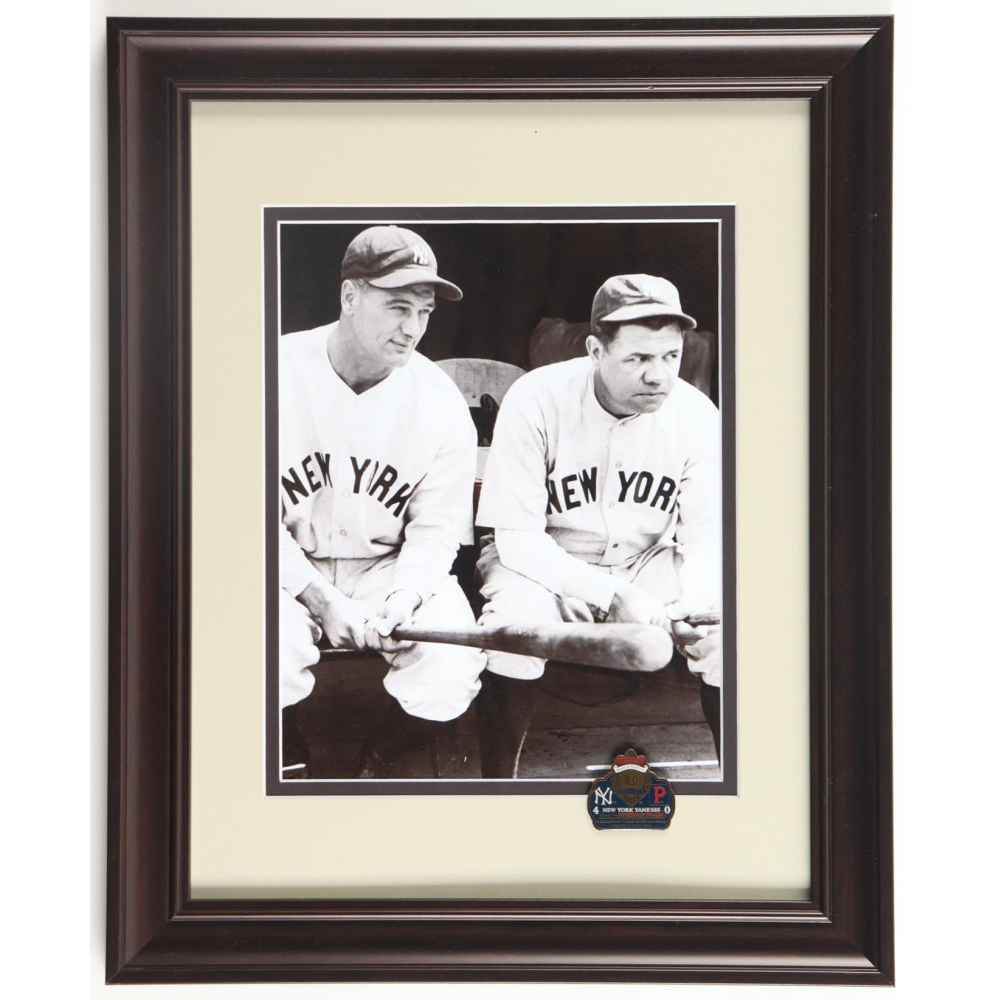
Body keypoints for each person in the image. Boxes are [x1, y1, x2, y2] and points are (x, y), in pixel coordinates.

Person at [474, 273, 722, 777]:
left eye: (670, 357)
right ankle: (498, 788)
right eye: (638, 358)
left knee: (725, 632)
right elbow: (516, 537)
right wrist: (601, 592)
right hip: (540, 558)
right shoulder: (536, 397)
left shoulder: (697, 415)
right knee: (514, 627)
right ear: (594, 350)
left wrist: (696, 598)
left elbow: (705, 536)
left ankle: (738, 791)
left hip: (645, 558)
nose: (658, 375)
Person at [279, 225, 486, 779]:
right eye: (398, 306)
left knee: (452, 667)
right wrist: (320, 599)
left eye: (423, 312)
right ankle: (286, 745)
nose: (412, 328)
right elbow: (236, 519)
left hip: (386, 566)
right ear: (350, 297)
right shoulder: (271, 372)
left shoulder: (439, 402)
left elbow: (437, 530)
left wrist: (404, 598)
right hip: (283, 566)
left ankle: (385, 749)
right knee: (257, 655)